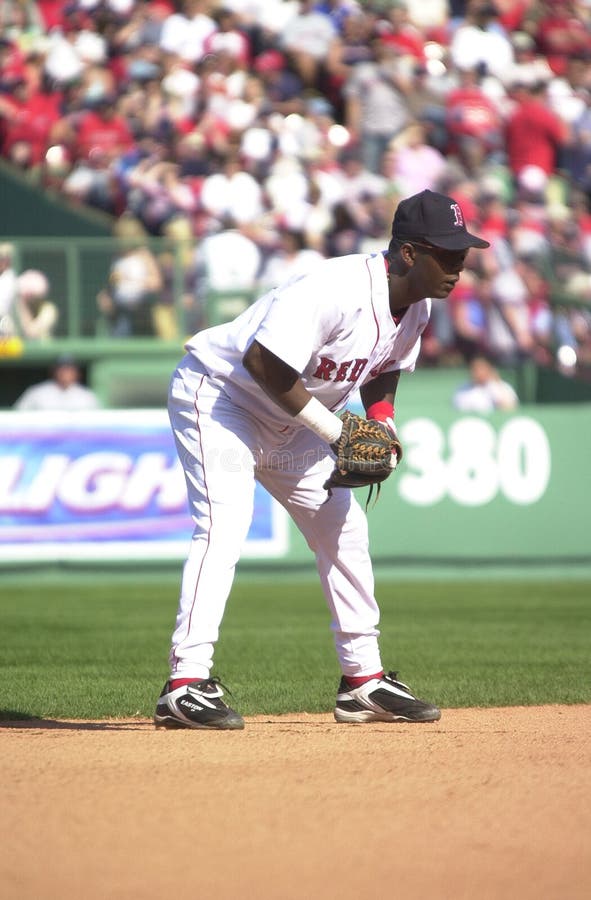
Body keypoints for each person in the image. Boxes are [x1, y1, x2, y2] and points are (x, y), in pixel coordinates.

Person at [154, 188, 490, 731]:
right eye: (447, 253)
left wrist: (382, 424)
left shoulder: (419, 305)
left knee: (343, 529)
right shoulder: (333, 288)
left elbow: (385, 369)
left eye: (462, 253)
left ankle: (363, 682)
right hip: (223, 400)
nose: (458, 265)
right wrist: (336, 432)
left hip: (296, 421)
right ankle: (184, 683)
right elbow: (263, 362)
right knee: (223, 527)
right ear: (408, 252)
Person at [13, 355, 101, 411]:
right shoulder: (37, 392)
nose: (65, 373)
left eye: (69, 369)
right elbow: (18, 414)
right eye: (61, 368)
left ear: (77, 373)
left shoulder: (87, 396)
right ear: (54, 371)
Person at [453, 355, 519, 414]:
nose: (478, 372)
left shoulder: (503, 387)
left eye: (481, 368)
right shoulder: (463, 389)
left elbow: (510, 409)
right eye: (475, 369)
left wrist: (497, 385)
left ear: (489, 369)